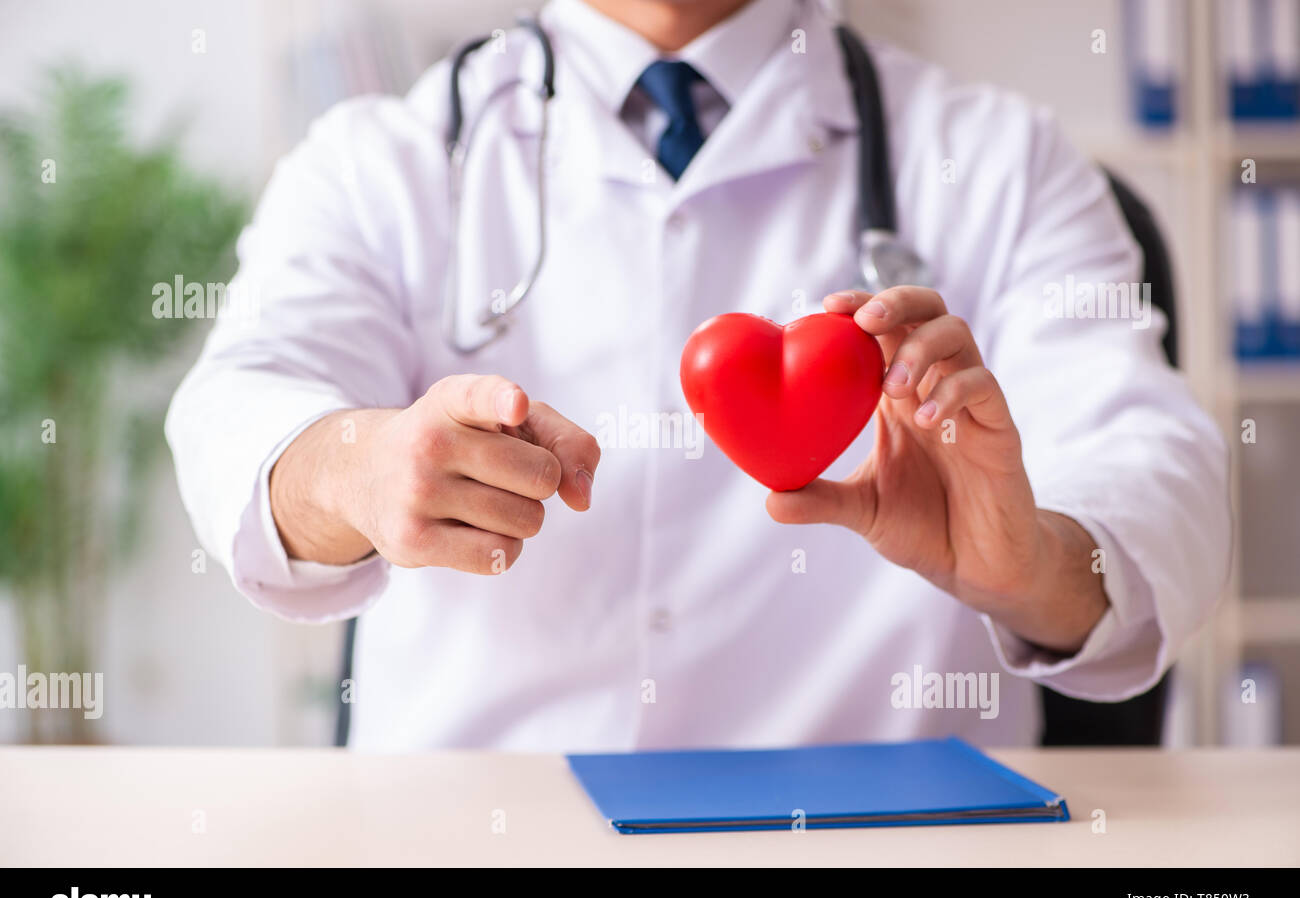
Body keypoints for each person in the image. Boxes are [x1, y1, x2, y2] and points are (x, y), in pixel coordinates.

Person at [166, 0, 1229, 751]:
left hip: (889, 846)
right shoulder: (380, 160)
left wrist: (1025, 561)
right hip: (480, 837)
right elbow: (238, 411)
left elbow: (1155, 466)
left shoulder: (1002, 159)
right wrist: (354, 469)